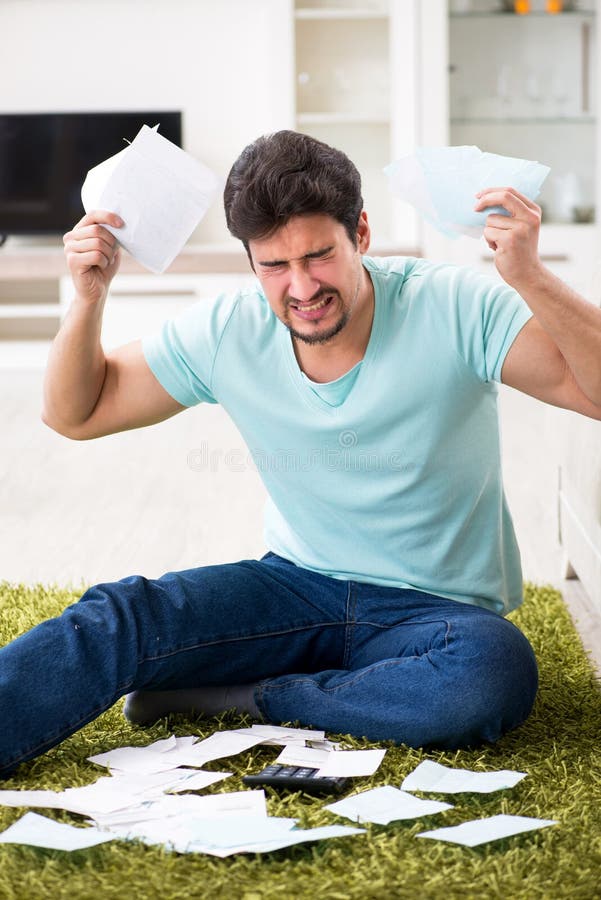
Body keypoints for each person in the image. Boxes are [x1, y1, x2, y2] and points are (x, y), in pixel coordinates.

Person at [3, 130, 601, 778]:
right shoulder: (229, 328)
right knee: (122, 616)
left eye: (318, 256)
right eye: (274, 266)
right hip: (295, 587)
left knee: (492, 670)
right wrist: (88, 296)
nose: (301, 286)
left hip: (435, 613)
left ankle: (250, 697)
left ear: (361, 234)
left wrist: (529, 277)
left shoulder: (453, 305)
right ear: (250, 261)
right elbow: (76, 413)